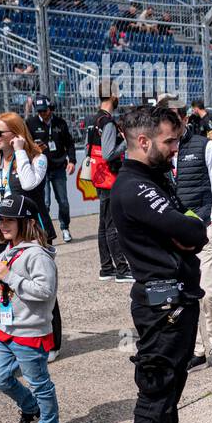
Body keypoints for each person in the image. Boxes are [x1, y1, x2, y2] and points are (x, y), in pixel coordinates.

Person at [110, 104, 211, 423]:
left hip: (178, 298)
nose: (176, 148)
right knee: (154, 393)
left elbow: (192, 227)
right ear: (144, 141)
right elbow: (189, 228)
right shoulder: (133, 186)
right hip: (160, 306)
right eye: (170, 141)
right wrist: (187, 231)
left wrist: (188, 231)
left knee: (173, 385)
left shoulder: (154, 178)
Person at [0, 114, 61, 377]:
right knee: (0, 288)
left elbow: (30, 184)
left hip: (29, 229)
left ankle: (50, 341)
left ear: (17, 133)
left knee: (42, 287)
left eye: (0, 132)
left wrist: (21, 151)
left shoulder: (37, 157)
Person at [0, 194, 63, 423]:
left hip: (30, 331)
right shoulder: (8, 251)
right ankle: (31, 409)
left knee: (38, 382)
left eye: (9, 220)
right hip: (6, 329)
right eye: (0, 220)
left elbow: (45, 292)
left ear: (25, 222)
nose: (2, 225)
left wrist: (11, 276)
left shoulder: (37, 256)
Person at [172, 107, 212, 374]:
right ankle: (195, 349)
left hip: (204, 227)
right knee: (182, 294)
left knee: (210, 291)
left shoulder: (204, 146)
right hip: (173, 233)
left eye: (173, 117)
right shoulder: (157, 149)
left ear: (184, 118)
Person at [86, 89, 130, 280]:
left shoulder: (93, 118)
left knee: (104, 224)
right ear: (112, 96)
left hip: (98, 175)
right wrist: (127, 142)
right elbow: (108, 153)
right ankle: (121, 269)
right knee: (112, 224)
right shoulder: (107, 121)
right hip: (109, 176)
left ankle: (106, 268)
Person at [25, 96, 76, 243]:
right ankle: (45, 233)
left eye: (44, 110)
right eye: (39, 111)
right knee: (44, 203)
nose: (42, 113)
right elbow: (26, 144)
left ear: (50, 108)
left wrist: (72, 161)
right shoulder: (31, 123)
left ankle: (65, 227)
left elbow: (70, 143)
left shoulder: (60, 123)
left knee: (63, 202)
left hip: (59, 167)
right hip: (41, 170)